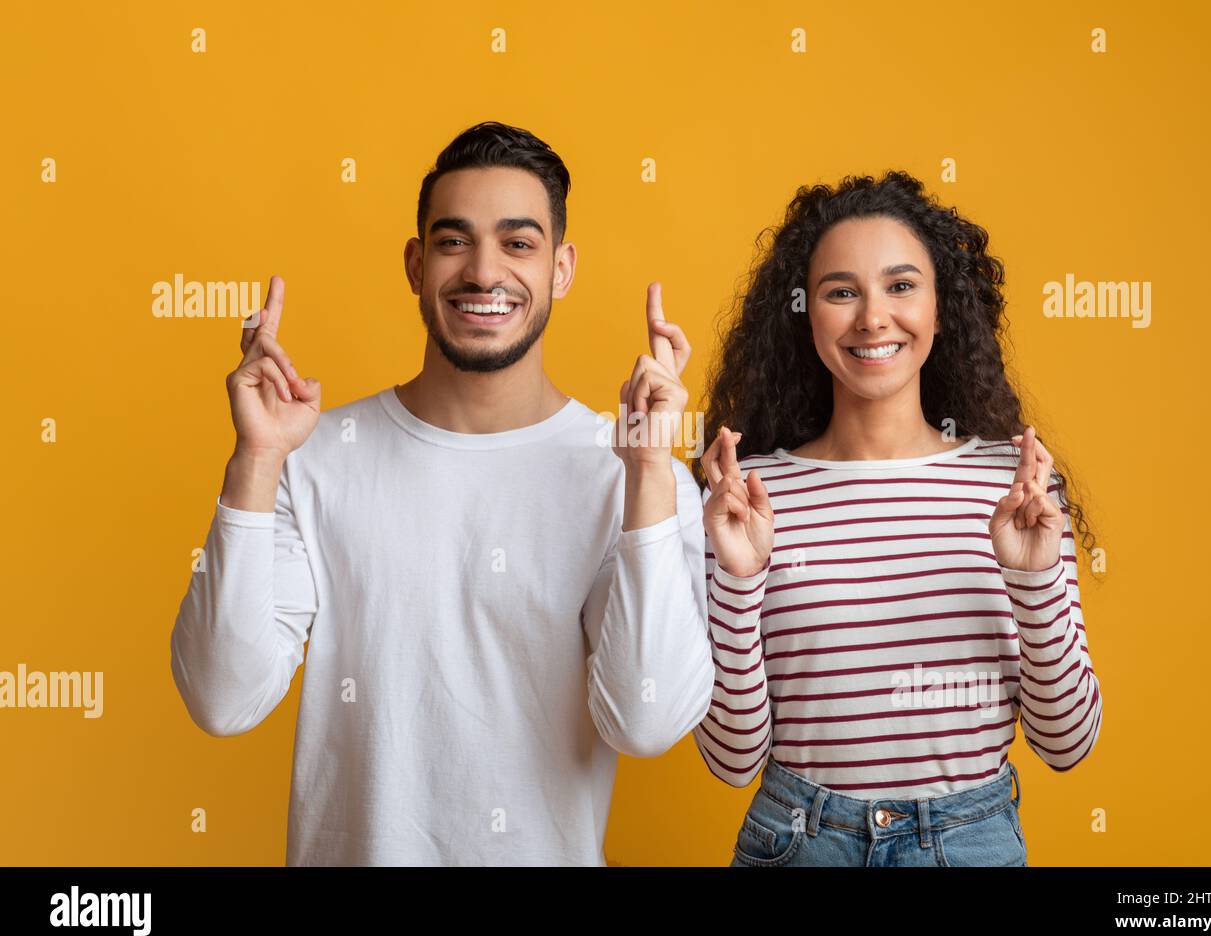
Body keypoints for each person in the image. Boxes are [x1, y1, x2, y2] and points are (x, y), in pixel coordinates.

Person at [169, 121, 714, 865]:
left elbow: (646, 723)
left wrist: (649, 474)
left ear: (561, 268)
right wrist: (255, 461)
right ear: (417, 263)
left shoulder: (633, 473)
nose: (484, 272)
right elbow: (222, 699)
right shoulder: (312, 457)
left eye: (518, 243)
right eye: (455, 242)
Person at [690, 171, 1102, 866]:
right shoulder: (751, 498)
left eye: (901, 285)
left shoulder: (1015, 487)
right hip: (799, 842)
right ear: (807, 314)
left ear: (942, 309)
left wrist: (1031, 580)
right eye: (841, 291)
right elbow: (732, 761)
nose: (872, 317)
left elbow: (1068, 742)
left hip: (971, 842)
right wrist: (737, 577)